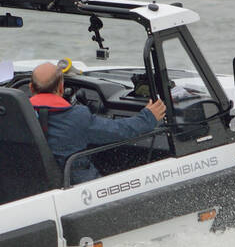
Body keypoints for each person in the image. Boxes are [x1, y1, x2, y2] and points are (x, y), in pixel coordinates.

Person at [28, 61, 166, 183]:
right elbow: (119, 130)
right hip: (75, 184)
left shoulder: (18, 115)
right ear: (61, 88)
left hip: (32, 181)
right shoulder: (77, 117)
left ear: (31, 88)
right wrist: (148, 117)